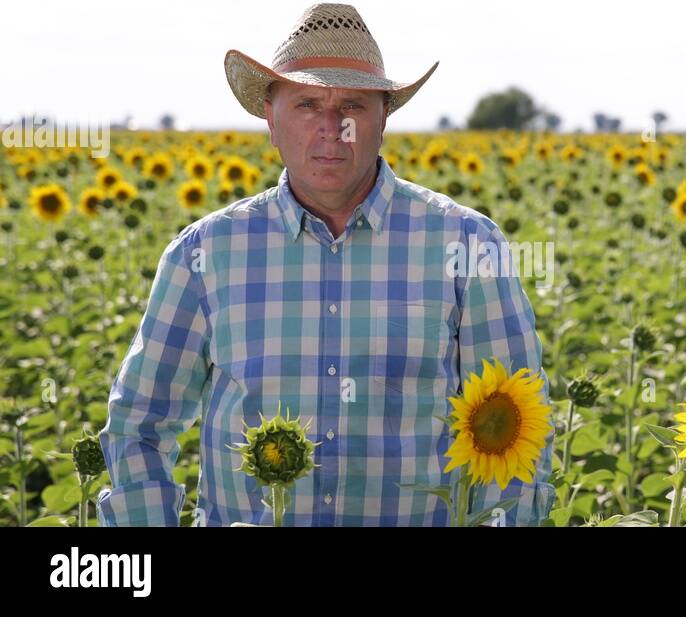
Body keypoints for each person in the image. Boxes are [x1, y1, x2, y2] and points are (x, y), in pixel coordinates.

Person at [97, 3, 555, 526]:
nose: (332, 128)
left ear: (384, 118)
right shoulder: (206, 254)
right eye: (308, 105)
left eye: (354, 106)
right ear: (271, 118)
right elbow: (141, 423)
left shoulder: (467, 245)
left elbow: (521, 431)